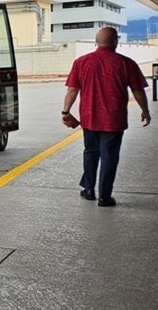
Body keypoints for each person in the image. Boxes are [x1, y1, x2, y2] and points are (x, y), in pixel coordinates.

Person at [61, 27, 151, 207]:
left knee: (90, 153)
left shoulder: (81, 62)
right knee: (109, 156)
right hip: (114, 119)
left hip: (89, 117)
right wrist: (145, 111)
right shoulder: (126, 63)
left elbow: (72, 89)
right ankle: (104, 196)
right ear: (116, 41)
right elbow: (137, 90)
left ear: (96, 42)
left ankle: (88, 190)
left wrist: (65, 111)